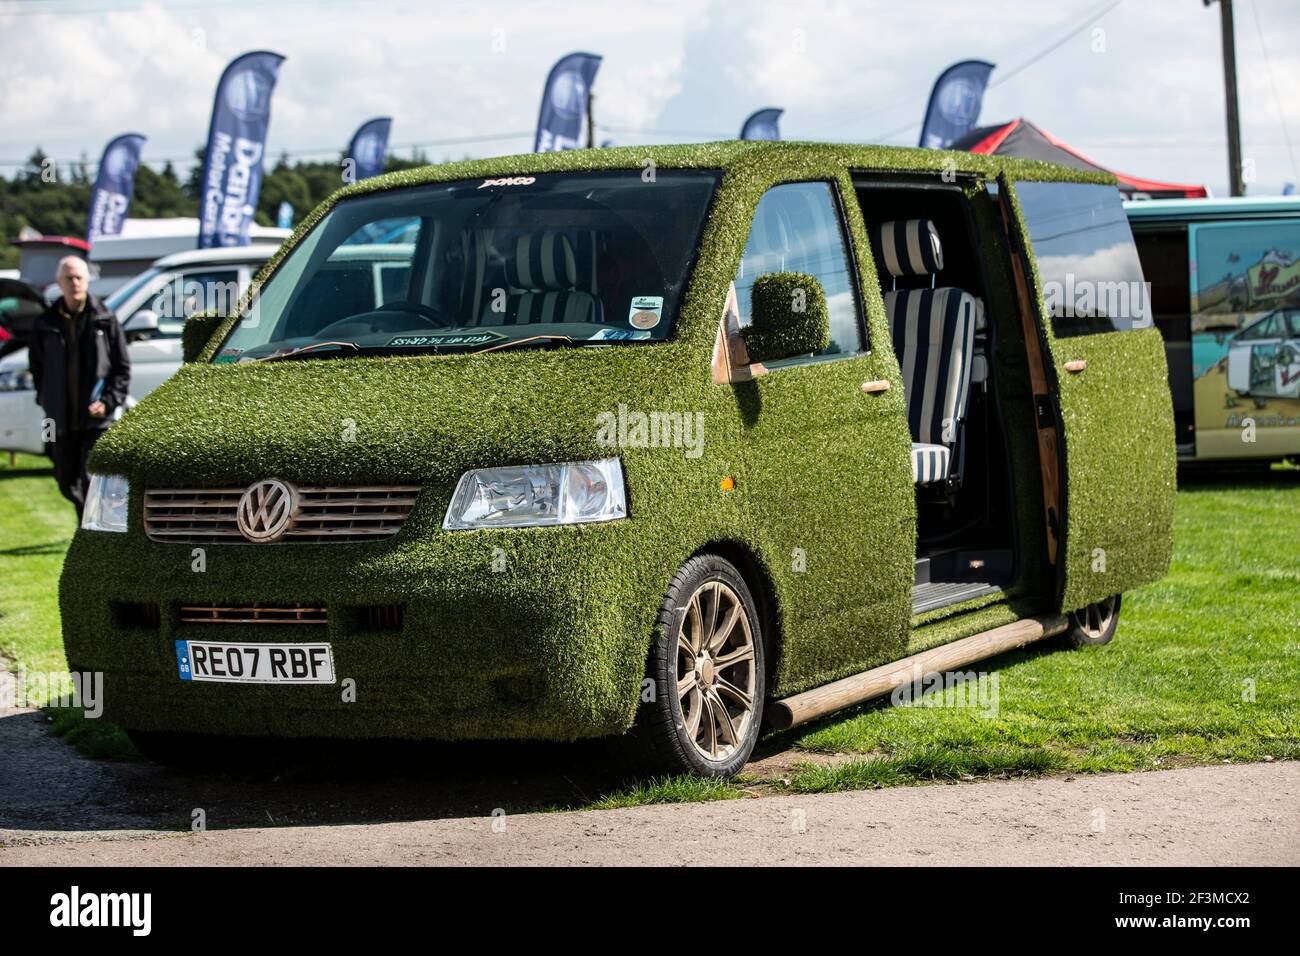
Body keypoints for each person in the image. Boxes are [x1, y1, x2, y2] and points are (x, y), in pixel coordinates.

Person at [29, 256, 131, 518]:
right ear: (58, 282)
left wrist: (108, 402)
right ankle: (86, 519)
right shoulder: (45, 324)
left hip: (96, 420)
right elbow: (37, 368)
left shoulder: (105, 318)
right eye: (68, 278)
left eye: (79, 277)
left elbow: (121, 369)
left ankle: (91, 531)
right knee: (64, 480)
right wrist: (46, 400)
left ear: (87, 280)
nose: (74, 282)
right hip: (57, 421)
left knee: (91, 480)